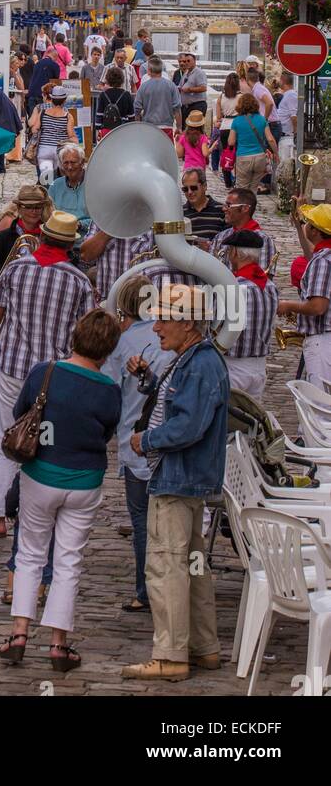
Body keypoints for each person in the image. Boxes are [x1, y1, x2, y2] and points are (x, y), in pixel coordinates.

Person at [0, 308, 121, 669]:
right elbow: (107, 432)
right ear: (107, 350)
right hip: (84, 480)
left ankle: (19, 631)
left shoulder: (44, 373)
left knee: (30, 553)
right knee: (69, 559)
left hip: (41, 473)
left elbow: (20, 413)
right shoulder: (109, 391)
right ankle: (58, 642)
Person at [122, 284, 229, 682]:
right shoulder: (193, 359)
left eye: (164, 318)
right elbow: (177, 402)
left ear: (187, 323)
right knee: (194, 566)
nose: (156, 328)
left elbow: (188, 425)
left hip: (178, 479)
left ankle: (170, 654)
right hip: (187, 478)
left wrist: (144, 440)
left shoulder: (199, 364)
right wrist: (148, 379)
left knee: (166, 565)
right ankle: (203, 647)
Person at [0, 211, 94, 538]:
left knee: (4, 439)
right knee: (45, 443)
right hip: (53, 376)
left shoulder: (15, 268)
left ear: (42, 236)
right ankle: (35, 517)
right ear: (70, 244)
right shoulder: (78, 281)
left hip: (13, 368)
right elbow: (86, 336)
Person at [103, 275, 162, 613]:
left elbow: (111, 389)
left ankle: (144, 589)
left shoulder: (124, 343)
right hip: (165, 441)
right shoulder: (168, 336)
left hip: (134, 438)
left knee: (141, 520)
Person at [277, 203, 331, 388]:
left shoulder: (322, 261)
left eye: (308, 223)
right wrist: (299, 226)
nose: (305, 225)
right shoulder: (324, 256)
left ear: (315, 231)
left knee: (320, 403)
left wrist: (288, 305)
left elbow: (318, 306)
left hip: (323, 340)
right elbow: (311, 254)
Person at [224, 231, 278, 401]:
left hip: (233, 366)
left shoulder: (235, 287)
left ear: (234, 252)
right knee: (250, 423)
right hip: (259, 367)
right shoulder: (270, 287)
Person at [0, 184, 52, 293]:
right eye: (29, 207)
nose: (34, 211)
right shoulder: (4, 237)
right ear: (19, 209)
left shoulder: (49, 236)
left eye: (38, 207)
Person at [202, 188, 276, 276]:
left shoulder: (263, 240)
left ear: (245, 208)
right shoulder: (220, 237)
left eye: (229, 205)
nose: (223, 209)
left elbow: (262, 278)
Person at [80, 222, 153, 305]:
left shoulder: (152, 218)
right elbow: (85, 255)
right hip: (106, 303)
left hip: (139, 303)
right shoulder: (101, 217)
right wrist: (109, 230)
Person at [227, 92, 277, 193]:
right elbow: (270, 139)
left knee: (242, 188)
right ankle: (252, 208)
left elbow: (231, 142)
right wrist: (276, 153)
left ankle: (243, 207)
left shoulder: (237, 121)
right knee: (253, 188)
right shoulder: (262, 119)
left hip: (243, 157)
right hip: (259, 157)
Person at [28, 84, 77, 183]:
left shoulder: (43, 112)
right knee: (60, 180)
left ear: (52, 98)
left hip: (44, 150)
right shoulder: (68, 116)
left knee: (46, 181)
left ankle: (48, 196)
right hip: (60, 151)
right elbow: (71, 136)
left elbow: (34, 129)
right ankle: (57, 196)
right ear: (64, 100)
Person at [47, 145, 91, 241]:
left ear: (82, 162)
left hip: (86, 240)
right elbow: (48, 213)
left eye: (73, 162)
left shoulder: (94, 185)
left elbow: (102, 220)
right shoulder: (55, 185)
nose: (69, 167)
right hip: (60, 240)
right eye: (66, 163)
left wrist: (80, 224)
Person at [133, 56, 182, 137]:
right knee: (166, 149)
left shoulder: (144, 87)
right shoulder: (171, 85)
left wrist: (138, 125)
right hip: (167, 126)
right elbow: (177, 108)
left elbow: (137, 108)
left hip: (149, 126)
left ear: (149, 70)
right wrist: (179, 127)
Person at [212, 71, 241, 185]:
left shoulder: (221, 97)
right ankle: (237, 179)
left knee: (226, 154)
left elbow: (219, 116)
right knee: (238, 154)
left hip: (225, 126)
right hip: (237, 126)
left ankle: (227, 181)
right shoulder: (241, 97)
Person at [181, 169, 226, 241]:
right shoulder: (179, 213)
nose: (189, 192)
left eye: (193, 188)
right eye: (185, 189)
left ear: (204, 186)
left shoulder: (222, 210)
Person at [94, 65, 134, 139]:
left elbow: (99, 114)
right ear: (121, 79)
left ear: (108, 79)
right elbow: (131, 116)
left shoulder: (103, 94)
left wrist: (98, 130)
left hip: (106, 130)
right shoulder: (126, 94)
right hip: (122, 129)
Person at [25, 49, 62, 117]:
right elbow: (55, 82)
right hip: (43, 96)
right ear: (56, 56)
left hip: (32, 94)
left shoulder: (37, 63)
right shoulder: (54, 65)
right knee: (42, 119)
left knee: (32, 118)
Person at [177, 53, 208, 121]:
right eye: (185, 61)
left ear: (194, 61)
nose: (186, 63)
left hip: (197, 105)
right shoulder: (186, 73)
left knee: (195, 129)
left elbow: (203, 88)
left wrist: (189, 89)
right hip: (186, 106)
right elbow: (181, 86)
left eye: (188, 61)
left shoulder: (199, 73)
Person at [276, 71, 298, 161]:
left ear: (282, 81)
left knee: (285, 168)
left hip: (287, 138)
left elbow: (294, 116)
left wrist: (295, 133)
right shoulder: (287, 94)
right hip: (284, 137)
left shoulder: (291, 95)